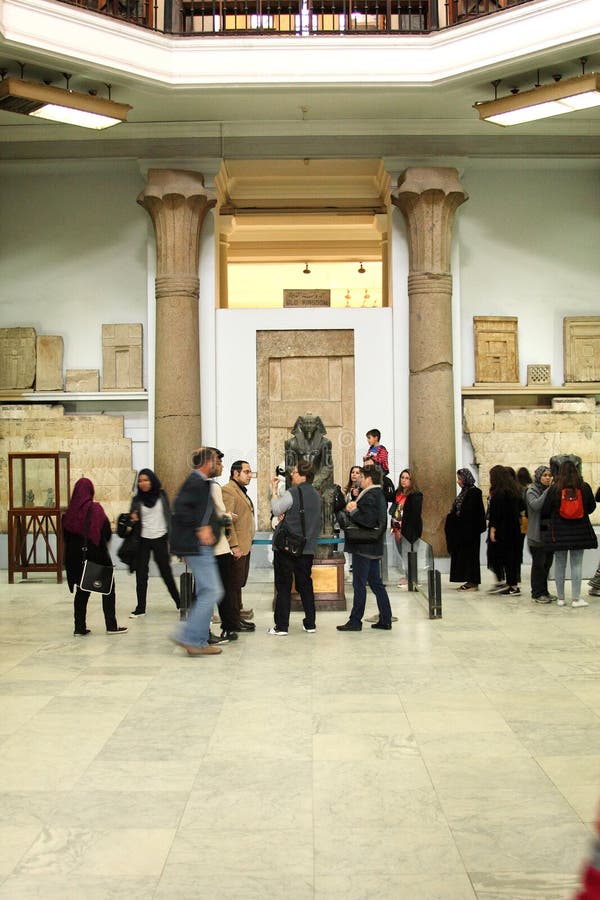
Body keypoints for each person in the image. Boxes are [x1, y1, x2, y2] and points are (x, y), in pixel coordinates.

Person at [170, 447, 224, 656]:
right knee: (212, 591)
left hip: (200, 546)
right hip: (197, 546)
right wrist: (200, 528)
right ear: (208, 462)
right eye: (217, 461)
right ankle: (189, 637)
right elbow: (180, 509)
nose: (218, 466)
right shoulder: (195, 482)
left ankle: (199, 642)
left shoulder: (201, 483)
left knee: (206, 592)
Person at [63, 477, 127, 636]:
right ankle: (111, 625)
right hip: (95, 555)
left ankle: (79, 627)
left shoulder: (68, 514)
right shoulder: (95, 509)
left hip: (75, 558)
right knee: (108, 588)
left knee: (82, 589)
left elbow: (65, 538)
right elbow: (105, 533)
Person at [337, 465, 392, 632]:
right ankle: (385, 618)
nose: (359, 479)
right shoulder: (378, 494)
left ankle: (355, 620)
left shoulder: (370, 495)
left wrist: (353, 511)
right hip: (372, 547)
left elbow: (368, 521)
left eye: (361, 476)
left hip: (364, 547)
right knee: (376, 583)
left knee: (359, 584)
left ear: (369, 478)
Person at [269, 460, 321, 635]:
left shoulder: (293, 492)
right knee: (305, 585)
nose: (292, 474)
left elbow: (276, 509)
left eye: (296, 472)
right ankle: (310, 623)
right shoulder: (316, 494)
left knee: (283, 586)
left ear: (304, 476)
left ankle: (282, 626)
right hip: (306, 548)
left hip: (287, 547)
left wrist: (274, 491)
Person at [540, 459, 597, 607]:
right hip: (580, 531)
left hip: (559, 532)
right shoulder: (584, 487)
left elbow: (546, 509)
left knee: (560, 564)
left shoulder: (554, 488)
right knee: (576, 565)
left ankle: (560, 598)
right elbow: (591, 507)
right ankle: (576, 599)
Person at [128, 468, 180, 618]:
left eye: (146, 480)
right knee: (141, 574)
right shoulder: (136, 500)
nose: (143, 483)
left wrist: (173, 539)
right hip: (143, 540)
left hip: (160, 538)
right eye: (140, 481)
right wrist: (133, 518)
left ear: (152, 481)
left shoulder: (161, 496)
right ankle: (140, 607)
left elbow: (168, 516)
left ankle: (179, 602)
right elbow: (132, 520)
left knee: (166, 572)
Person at [208, 450, 239, 644]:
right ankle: (227, 627)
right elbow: (220, 516)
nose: (221, 466)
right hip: (217, 548)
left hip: (208, 548)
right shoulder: (213, 487)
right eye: (219, 462)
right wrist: (229, 516)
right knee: (222, 590)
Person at [222, 459, 256, 630]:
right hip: (237, 546)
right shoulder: (228, 490)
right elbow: (228, 521)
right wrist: (234, 545)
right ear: (236, 473)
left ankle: (237, 617)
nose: (250, 475)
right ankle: (232, 621)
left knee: (238, 583)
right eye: (247, 472)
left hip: (245, 545)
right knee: (233, 584)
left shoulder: (240, 490)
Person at [444, 468, 486, 591]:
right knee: (465, 558)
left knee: (471, 558)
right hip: (463, 533)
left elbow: (470, 514)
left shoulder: (474, 493)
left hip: (470, 533)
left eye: (460, 479)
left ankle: (472, 582)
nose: (458, 481)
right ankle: (469, 580)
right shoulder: (464, 492)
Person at [486, 464, 523, 596]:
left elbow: (496, 514)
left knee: (502, 556)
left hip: (502, 530)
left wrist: (492, 530)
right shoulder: (513, 491)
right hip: (513, 529)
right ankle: (512, 584)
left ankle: (511, 585)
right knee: (511, 558)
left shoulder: (499, 494)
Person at [525, 465, 555, 603]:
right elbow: (536, 505)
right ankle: (536, 593)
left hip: (548, 535)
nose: (548, 478)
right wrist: (548, 491)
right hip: (536, 536)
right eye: (545, 475)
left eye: (549, 475)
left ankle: (544, 591)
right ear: (538, 476)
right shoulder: (532, 490)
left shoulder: (550, 491)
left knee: (547, 565)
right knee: (539, 565)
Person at [389, 468, 423, 587]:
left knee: (409, 553)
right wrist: (395, 528)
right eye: (402, 477)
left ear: (412, 480)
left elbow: (414, 515)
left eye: (407, 478)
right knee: (403, 554)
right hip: (397, 529)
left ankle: (413, 579)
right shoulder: (398, 493)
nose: (404, 480)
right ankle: (408, 576)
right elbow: (394, 512)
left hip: (409, 530)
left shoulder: (416, 495)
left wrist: (402, 530)